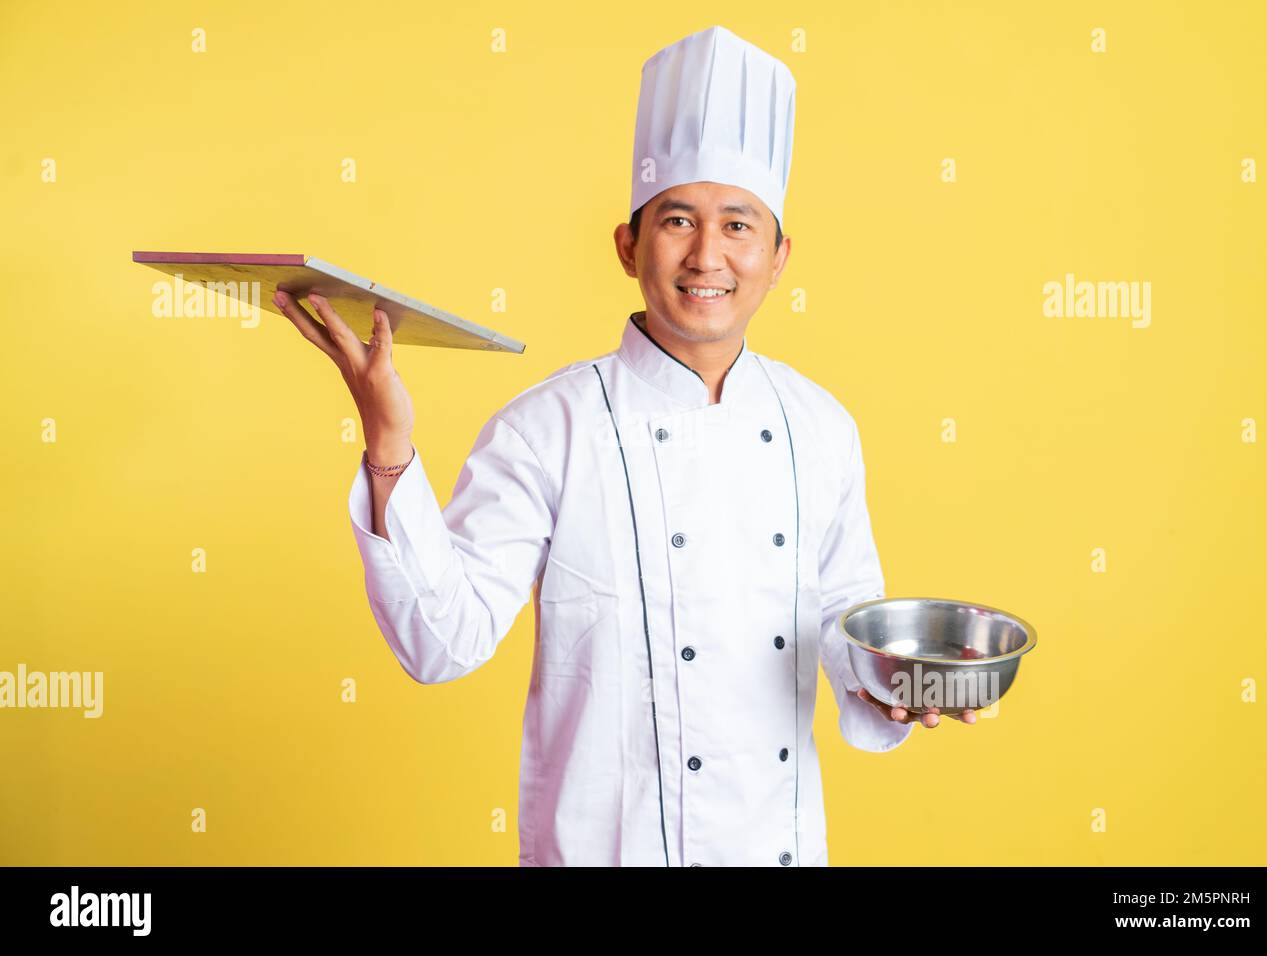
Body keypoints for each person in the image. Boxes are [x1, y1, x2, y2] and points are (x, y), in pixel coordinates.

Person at [275, 24, 974, 868]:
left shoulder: (821, 427)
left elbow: (841, 617)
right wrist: (389, 440)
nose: (707, 254)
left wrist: (901, 684)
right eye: (678, 220)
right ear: (628, 245)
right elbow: (441, 640)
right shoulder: (548, 428)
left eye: (739, 226)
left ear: (780, 257)